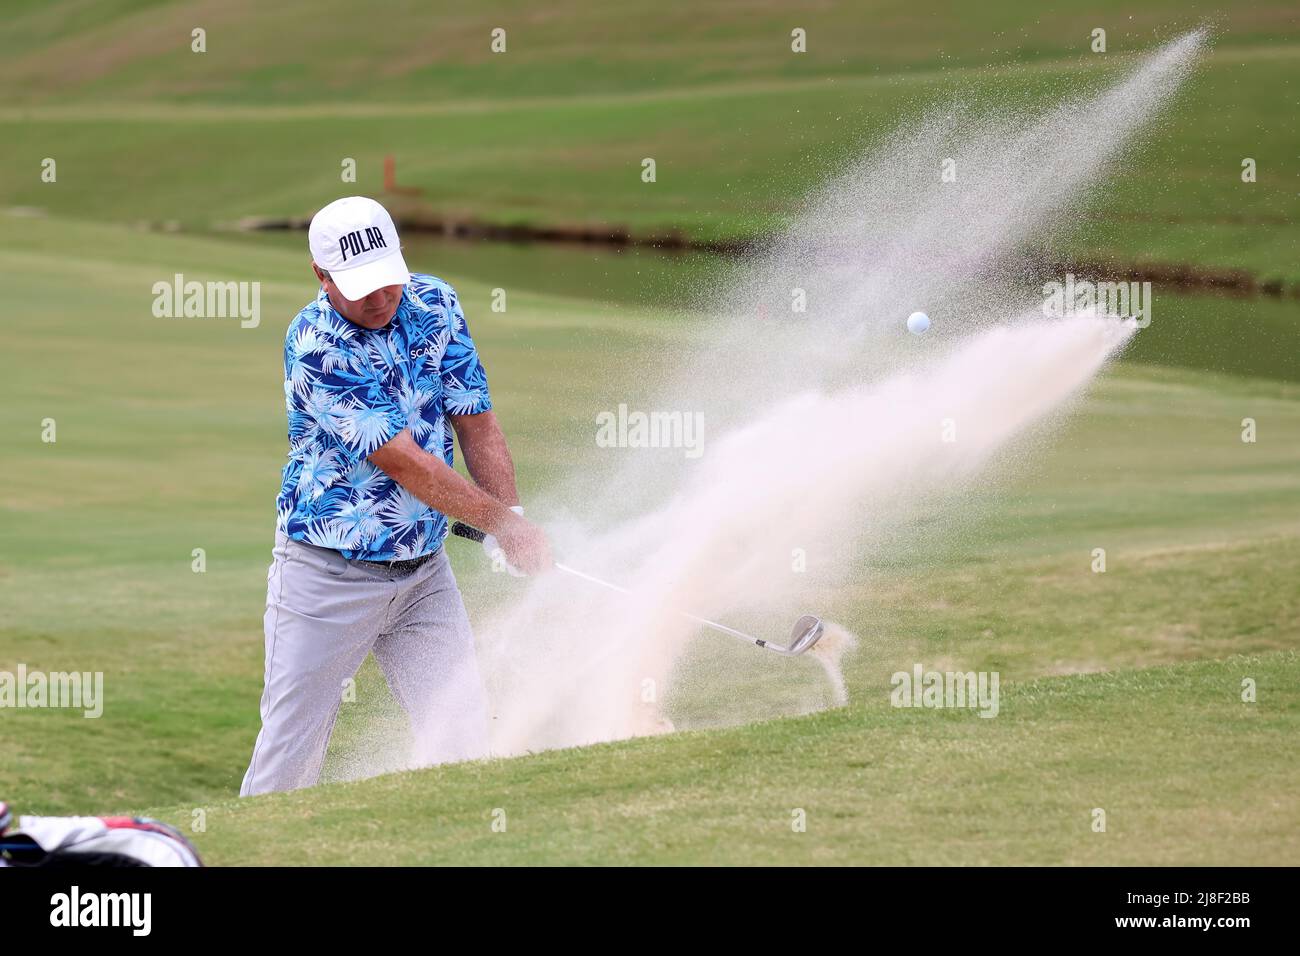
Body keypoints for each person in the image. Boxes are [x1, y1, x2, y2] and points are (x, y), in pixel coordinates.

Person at [240, 196, 551, 796]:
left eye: (388, 280)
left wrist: (511, 512)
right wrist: (498, 525)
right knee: (290, 752)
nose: (381, 298)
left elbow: (476, 421)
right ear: (321, 277)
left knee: (461, 743)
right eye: (360, 288)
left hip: (424, 576)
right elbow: (408, 464)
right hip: (326, 579)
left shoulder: (434, 301)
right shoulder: (315, 344)